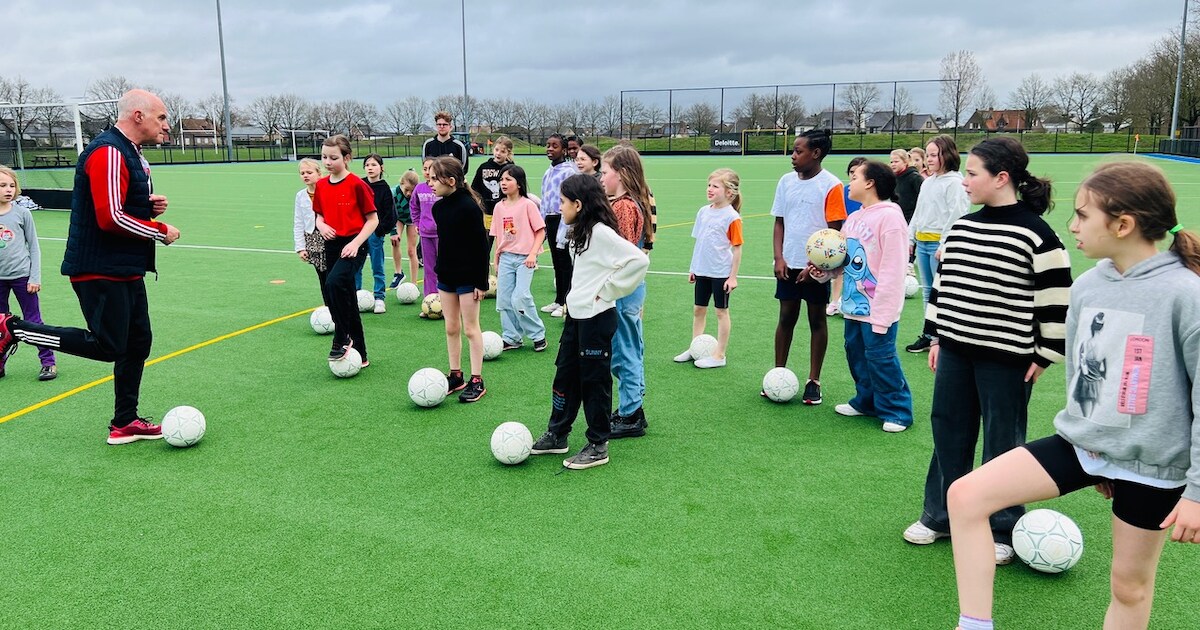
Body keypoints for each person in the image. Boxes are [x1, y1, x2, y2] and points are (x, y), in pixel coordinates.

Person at [945, 161, 1200, 630]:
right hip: (1084, 448)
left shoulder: (1187, 295)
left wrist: (1197, 494)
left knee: (1129, 587)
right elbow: (1085, 376)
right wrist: (1095, 441)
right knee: (965, 496)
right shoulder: (1087, 284)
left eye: (1083, 215)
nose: (1073, 226)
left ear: (1123, 225)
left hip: (1152, 467)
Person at [903, 136, 1072, 566]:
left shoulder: (1038, 234)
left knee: (1003, 443)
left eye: (972, 173)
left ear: (1001, 178)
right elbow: (944, 287)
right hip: (955, 352)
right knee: (949, 432)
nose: (965, 181)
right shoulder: (963, 227)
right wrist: (936, 337)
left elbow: (1056, 300)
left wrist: (1045, 354)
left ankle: (1002, 526)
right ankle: (940, 515)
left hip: (1008, 360)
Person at [0, 89, 180, 445]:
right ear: (138, 116)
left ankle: (124, 422)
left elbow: (118, 204)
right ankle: (14, 328)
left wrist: (145, 206)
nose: (166, 125)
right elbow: (110, 217)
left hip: (125, 266)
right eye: (161, 117)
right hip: (98, 267)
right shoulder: (108, 151)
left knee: (138, 343)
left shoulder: (130, 152)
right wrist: (159, 230)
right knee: (110, 346)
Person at [529, 174, 649, 470]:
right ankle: (558, 434)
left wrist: (608, 291)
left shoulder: (601, 233)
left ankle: (598, 444)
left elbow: (639, 260)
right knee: (565, 376)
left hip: (597, 319)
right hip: (576, 317)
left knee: (594, 382)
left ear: (578, 205)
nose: (559, 206)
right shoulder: (579, 232)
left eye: (563, 201)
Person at [832, 161, 912, 432]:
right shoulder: (854, 218)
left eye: (854, 177)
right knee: (856, 356)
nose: (849, 183)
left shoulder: (890, 218)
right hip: (853, 304)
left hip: (877, 309)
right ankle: (865, 402)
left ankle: (897, 411)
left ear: (870, 183)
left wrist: (884, 315)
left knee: (881, 359)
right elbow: (843, 258)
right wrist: (824, 269)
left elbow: (893, 270)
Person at [768, 129, 847, 405]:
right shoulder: (786, 181)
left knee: (817, 320)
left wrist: (815, 267)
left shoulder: (831, 185)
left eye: (798, 151)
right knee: (786, 318)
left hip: (817, 269)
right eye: (793, 150)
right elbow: (779, 222)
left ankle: (814, 380)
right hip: (788, 264)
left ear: (816, 153)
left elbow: (834, 233)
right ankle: (778, 374)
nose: (792, 156)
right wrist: (779, 257)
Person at [601, 144, 655, 438]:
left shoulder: (623, 206)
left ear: (620, 174)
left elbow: (618, 253)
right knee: (630, 346)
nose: (601, 178)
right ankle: (632, 407)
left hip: (622, 288)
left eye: (605, 172)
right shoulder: (631, 201)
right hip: (629, 287)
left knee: (624, 350)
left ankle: (631, 413)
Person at [313, 135, 378, 364]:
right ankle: (361, 354)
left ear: (347, 158)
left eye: (333, 158)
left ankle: (341, 336)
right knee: (345, 296)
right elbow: (319, 215)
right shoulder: (321, 185)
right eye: (324, 157)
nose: (327, 162)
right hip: (331, 245)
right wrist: (321, 226)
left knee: (334, 284)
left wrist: (355, 243)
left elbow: (373, 220)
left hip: (354, 244)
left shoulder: (357, 185)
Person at [430, 156, 490, 403]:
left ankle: (477, 379)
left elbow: (481, 247)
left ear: (451, 181)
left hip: (468, 278)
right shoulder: (438, 208)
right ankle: (456, 375)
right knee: (451, 327)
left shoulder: (469, 208)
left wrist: (481, 282)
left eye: (435, 179)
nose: (430, 183)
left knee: (470, 329)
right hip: (446, 276)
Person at [904, 135, 971, 353]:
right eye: (928, 155)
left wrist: (944, 244)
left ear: (947, 155)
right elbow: (919, 212)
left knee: (941, 293)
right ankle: (930, 334)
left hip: (938, 246)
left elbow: (957, 216)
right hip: (923, 243)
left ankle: (943, 337)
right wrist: (910, 237)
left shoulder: (955, 183)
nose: (929, 159)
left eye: (934, 155)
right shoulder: (928, 182)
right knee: (927, 292)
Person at [673, 168, 743, 369]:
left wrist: (732, 277)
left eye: (715, 186)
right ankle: (695, 348)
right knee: (698, 310)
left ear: (729, 192)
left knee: (721, 312)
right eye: (709, 185)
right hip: (702, 271)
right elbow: (700, 243)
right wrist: (693, 268)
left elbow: (737, 249)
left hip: (721, 273)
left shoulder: (732, 217)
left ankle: (719, 355)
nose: (710, 189)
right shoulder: (703, 212)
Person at [0, 165, 57, 381]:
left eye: (11, 185)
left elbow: (34, 247)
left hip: (23, 278)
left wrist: (34, 277)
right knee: (0, 325)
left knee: (34, 321)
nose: (8, 189)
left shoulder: (22, 213)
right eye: (2, 185)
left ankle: (48, 362)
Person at [491, 164, 547, 352]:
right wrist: (496, 258)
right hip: (506, 258)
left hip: (525, 259)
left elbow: (540, 232)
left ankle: (538, 335)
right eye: (501, 180)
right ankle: (512, 338)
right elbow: (498, 236)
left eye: (508, 179)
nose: (503, 183)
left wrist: (532, 254)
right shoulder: (499, 207)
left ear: (519, 183)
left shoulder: (528, 205)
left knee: (520, 297)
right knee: (504, 299)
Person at [538, 134, 579, 318]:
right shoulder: (548, 171)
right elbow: (544, 199)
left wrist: (565, 226)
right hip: (550, 220)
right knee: (556, 261)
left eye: (554, 146)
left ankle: (566, 303)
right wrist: (541, 224)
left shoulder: (569, 172)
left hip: (563, 220)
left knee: (565, 263)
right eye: (548, 145)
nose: (549, 149)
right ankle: (558, 299)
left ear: (564, 150)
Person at [828, 157, 867, 317]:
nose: (853, 175)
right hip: (845, 237)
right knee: (840, 270)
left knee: (859, 271)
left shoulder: (870, 193)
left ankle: (857, 301)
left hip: (864, 239)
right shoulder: (844, 191)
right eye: (851, 172)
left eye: (858, 172)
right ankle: (834, 302)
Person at [292, 158, 331, 309]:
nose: (305, 175)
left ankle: (342, 306)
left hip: (330, 237)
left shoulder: (327, 191)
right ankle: (329, 308)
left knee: (334, 277)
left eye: (309, 172)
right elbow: (298, 222)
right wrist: (300, 248)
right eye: (302, 173)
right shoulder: (300, 196)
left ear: (319, 173)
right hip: (312, 239)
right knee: (322, 276)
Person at [357, 153, 393, 314]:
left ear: (381, 168)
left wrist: (379, 231)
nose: (370, 168)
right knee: (356, 266)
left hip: (375, 234)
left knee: (377, 266)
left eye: (374, 165)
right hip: (358, 233)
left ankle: (379, 297)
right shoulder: (359, 184)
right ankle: (356, 295)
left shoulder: (385, 188)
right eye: (367, 165)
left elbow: (389, 214)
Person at [471, 135, 514, 252]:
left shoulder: (511, 169)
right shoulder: (484, 167)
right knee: (486, 243)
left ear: (509, 153)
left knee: (508, 241)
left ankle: (506, 263)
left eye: (503, 151)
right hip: (488, 213)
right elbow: (474, 189)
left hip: (507, 214)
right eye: (496, 149)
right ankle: (484, 263)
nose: (498, 153)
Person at [410, 157, 441, 304]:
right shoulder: (419, 188)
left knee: (443, 267)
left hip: (442, 234)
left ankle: (446, 300)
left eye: (431, 168)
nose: (428, 172)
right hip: (425, 234)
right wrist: (417, 222)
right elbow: (414, 206)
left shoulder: (442, 187)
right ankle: (430, 301)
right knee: (429, 269)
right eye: (425, 169)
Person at [389, 169, 420, 289]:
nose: (409, 193)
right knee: (395, 241)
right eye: (406, 189)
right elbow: (390, 213)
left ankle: (414, 283)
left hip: (412, 219)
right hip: (399, 218)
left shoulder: (417, 194)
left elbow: (421, 210)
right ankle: (398, 273)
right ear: (401, 183)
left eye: (412, 191)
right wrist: (393, 232)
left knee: (411, 251)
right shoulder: (393, 193)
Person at [890, 148, 922, 224]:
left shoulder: (915, 178)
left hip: (913, 219)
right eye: (891, 162)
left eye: (896, 161)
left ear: (905, 162)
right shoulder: (893, 179)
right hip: (898, 218)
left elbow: (923, 199)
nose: (893, 164)